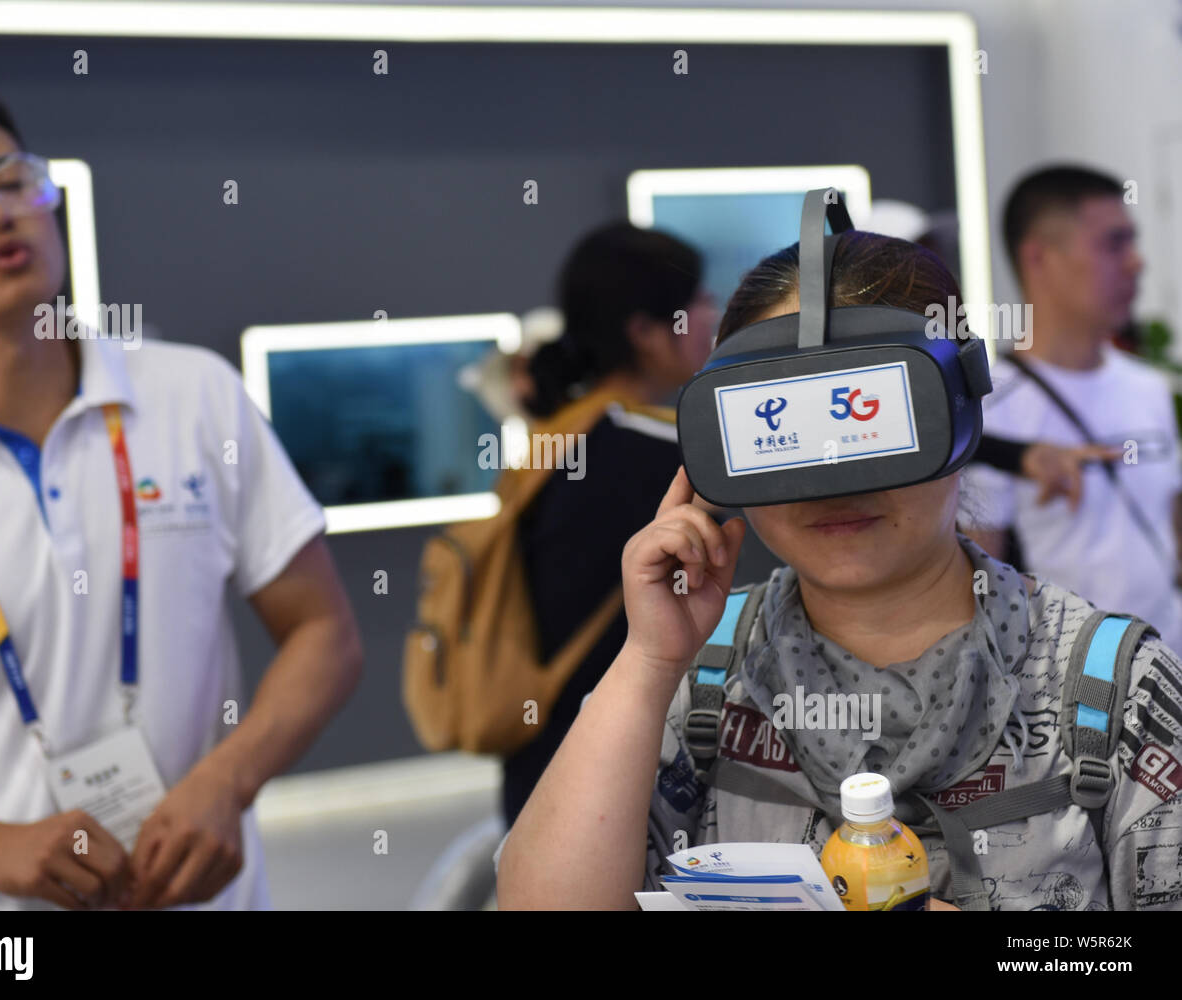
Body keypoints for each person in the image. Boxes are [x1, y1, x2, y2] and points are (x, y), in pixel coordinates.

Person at [497, 229, 1182, 910]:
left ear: (959, 411)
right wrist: (648, 661)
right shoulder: (699, 677)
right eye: (784, 425)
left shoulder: (1110, 690)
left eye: (869, 417)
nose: (832, 478)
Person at [0, 75, 363, 910]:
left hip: (199, 896)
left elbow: (323, 631)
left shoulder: (193, 395)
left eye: (10, 181)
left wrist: (229, 779)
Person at [500, 221, 719, 827]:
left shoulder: (554, 437)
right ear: (647, 331)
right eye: (699, 300)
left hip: (540, 755)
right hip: (617, 768)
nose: (711, 315)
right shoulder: (666, 453)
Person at [960, 165, 1182, 653]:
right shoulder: (991, 408)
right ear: (1040, 258)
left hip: (1170, 682)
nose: (1135, 263)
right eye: (1113, 243)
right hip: (1068, 702)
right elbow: (979, 601)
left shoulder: (1149, 388)